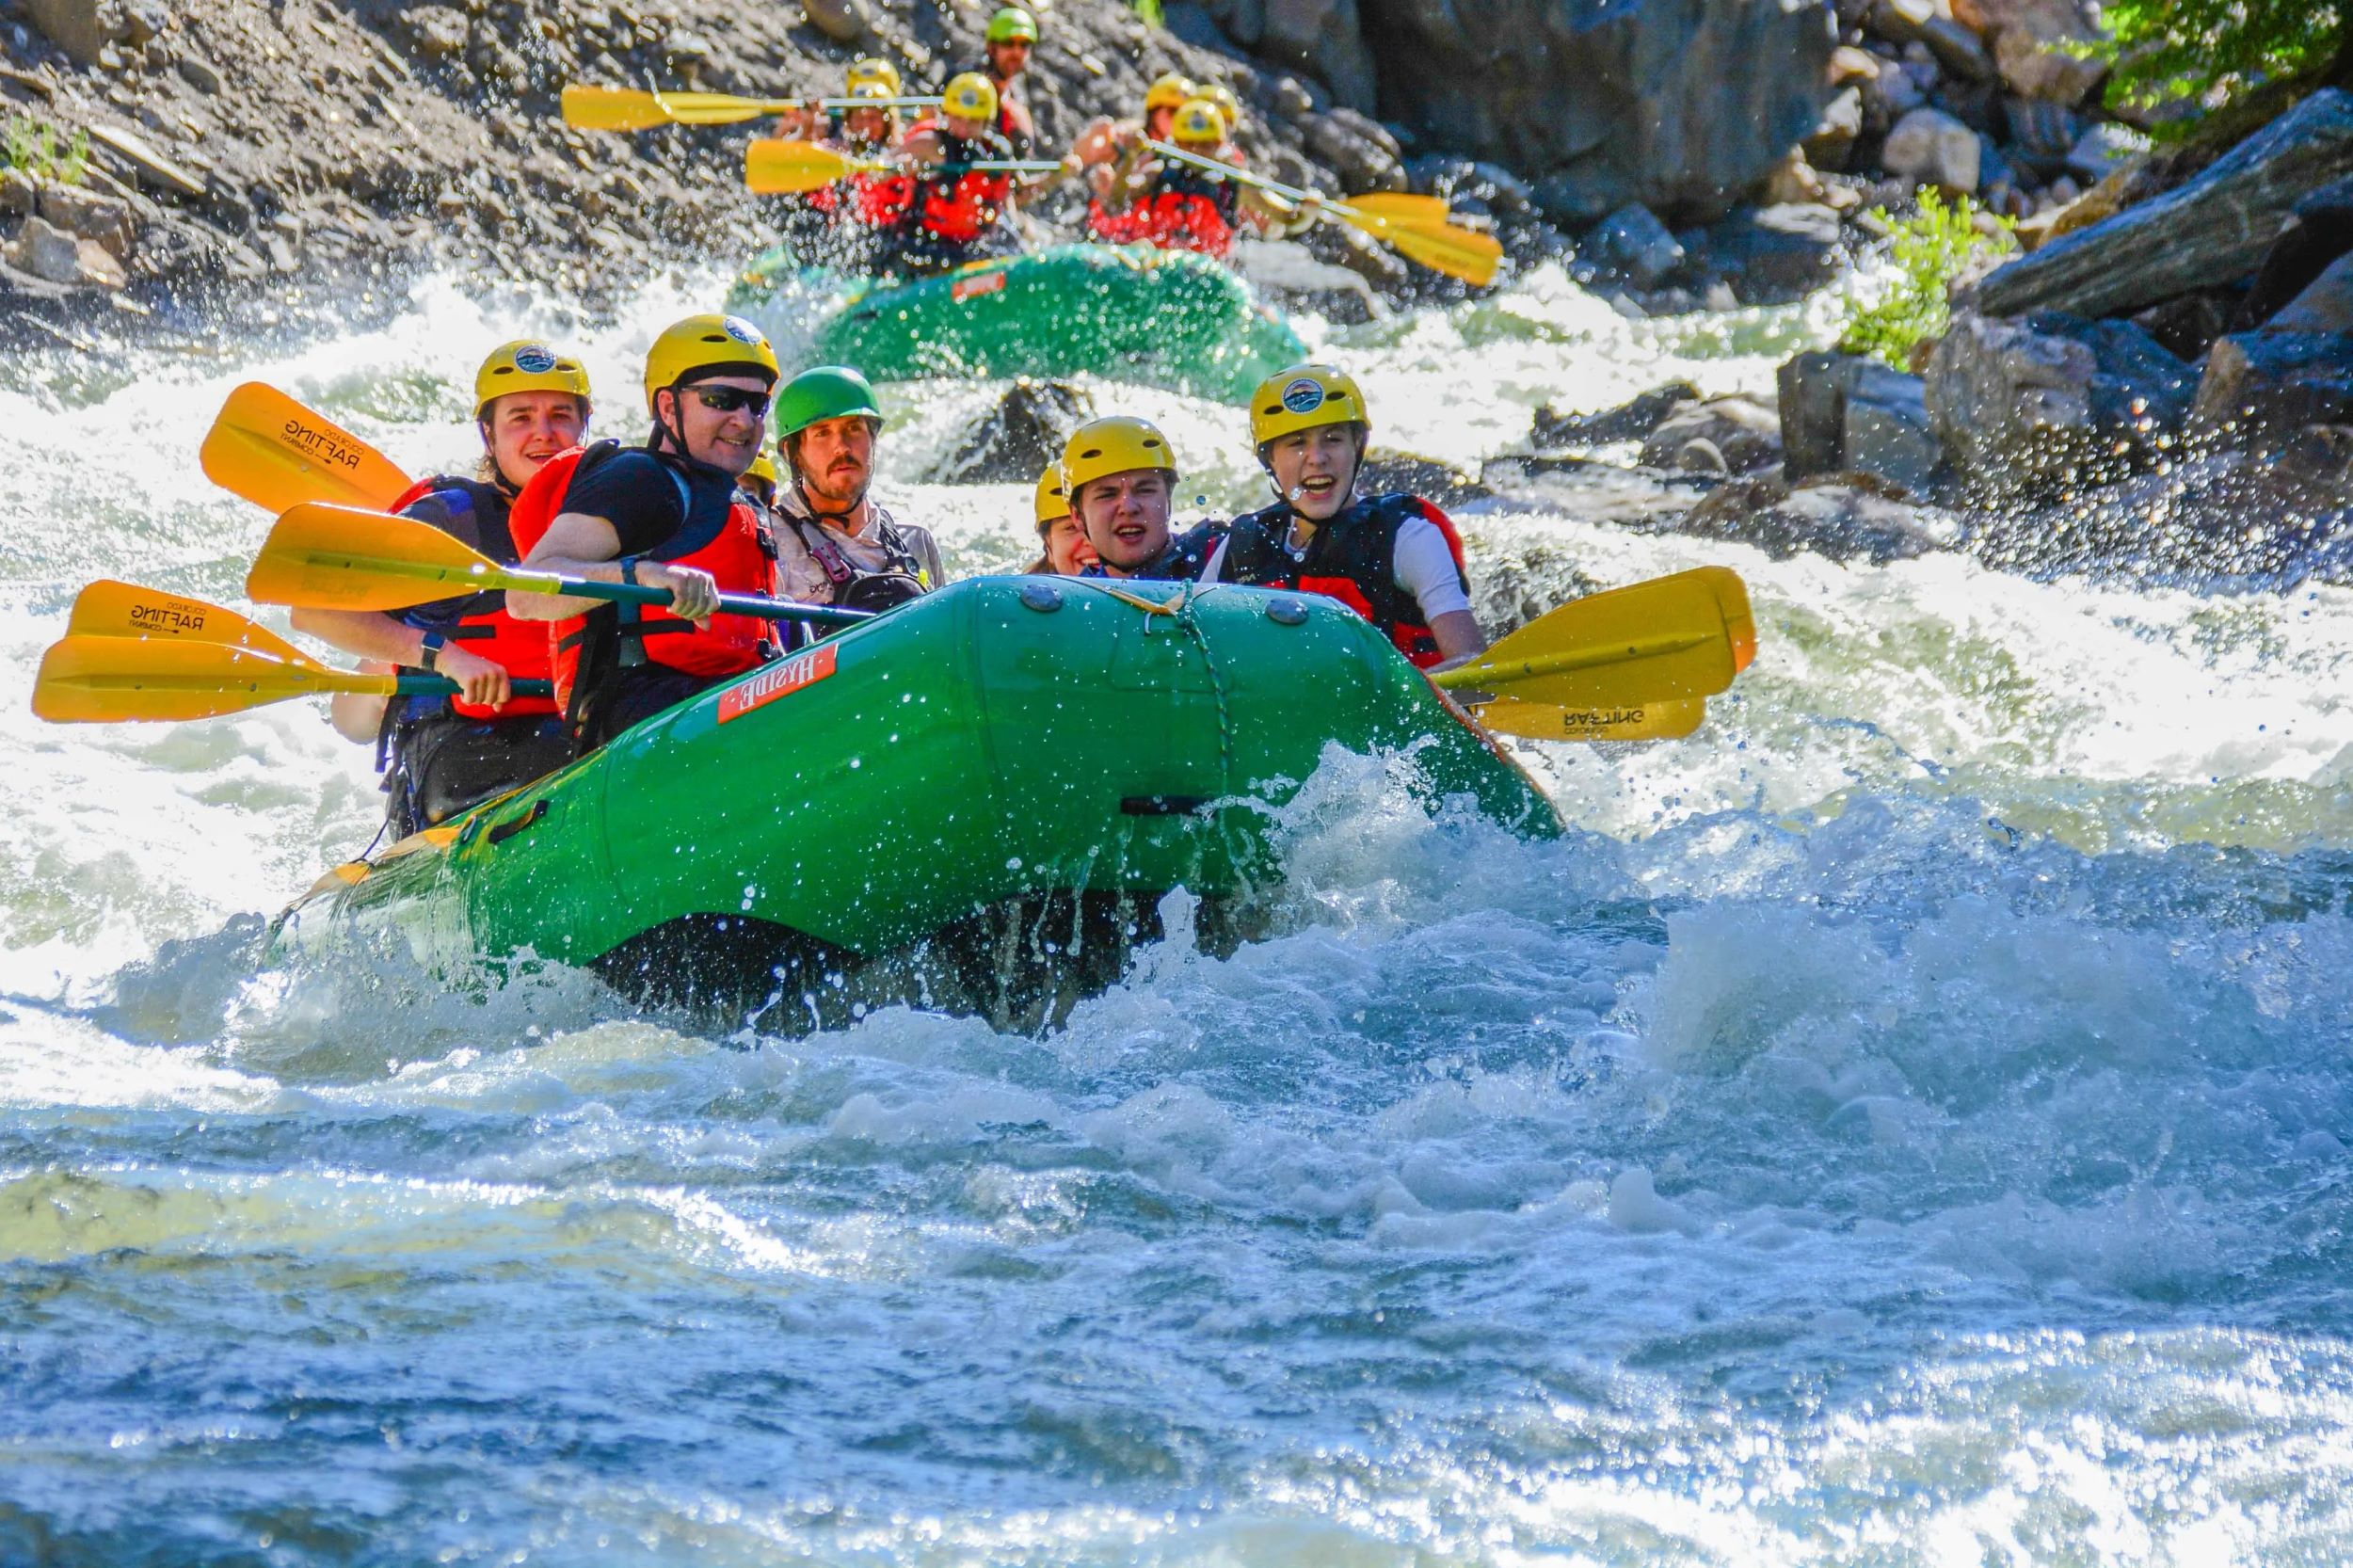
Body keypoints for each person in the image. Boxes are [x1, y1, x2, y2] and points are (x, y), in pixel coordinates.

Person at [307, 340, 589, 840]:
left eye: (560, 415)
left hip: (573, 734)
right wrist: (444, 657)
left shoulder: (607, 516)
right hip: (462, 750)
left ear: (583, 427)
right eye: (520, 417)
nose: (544, 434)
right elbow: (319, 610)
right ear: (489, 434)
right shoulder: (454, 517)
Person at [505, 314, 784, 751]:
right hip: (645, 723)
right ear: (669, 407)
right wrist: (644, 576)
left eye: (757, 405)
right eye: (721, 398)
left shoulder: (741, 502)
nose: (744, 420)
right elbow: (525, 593)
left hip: (726, 698)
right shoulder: (640, 479)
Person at [1199, 363, 1486, 668]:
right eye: (1297, 444)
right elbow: (1188, 659)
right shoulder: (1239, 548)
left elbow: (1473, 667)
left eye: (1333, 439)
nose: (1317, 458)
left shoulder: (1407, 538)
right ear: (1270, 458)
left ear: (1357, 446)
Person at [770, 364, 945, 614]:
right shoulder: (769, 546)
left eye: (853, 429)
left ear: (872, 440)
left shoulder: (915, 538)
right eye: (822, 433)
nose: (841, 447)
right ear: (793, 453)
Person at [1088, 98, 1276, 258]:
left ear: (1219, 145)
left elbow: (1283, 220)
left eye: (1205, 144)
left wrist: (1296, 215)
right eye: (1189, 143)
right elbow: (1116, 203)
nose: (1196, 150)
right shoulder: (1157, 172)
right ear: (1177, 143)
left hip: (1208, 273)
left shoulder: (1235, 183)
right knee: (1141, 245)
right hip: (1161, 263)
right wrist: (1129, 159)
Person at [1060, 415, 1220, 581]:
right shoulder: (1070, 597)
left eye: (1145, 490)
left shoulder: (1221, 558)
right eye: (1107, 495)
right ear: (1077, 516)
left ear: (1168, 499)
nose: (1128, 508)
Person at [893, 72, 1022, 274]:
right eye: (958, 118)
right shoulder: (928, 143)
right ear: (947, 114)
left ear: (986, 121)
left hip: (973, 246)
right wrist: (903, 166)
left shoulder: (997, 154)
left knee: (1010, 244)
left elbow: (1006, 202)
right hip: (923, 245)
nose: (963, 128)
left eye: (973, 121)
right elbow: (879, 169)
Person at [1073, 72, 1193, 215]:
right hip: (1101, 208)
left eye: (1184, 115)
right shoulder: (1125, 134)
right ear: (1154, 110)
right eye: (1173, 111)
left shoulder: (1180, 153)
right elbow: (1080, 161)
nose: (1178, 120)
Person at [975, 6, 1041, 158]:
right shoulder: (966, 76)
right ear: (991, 48)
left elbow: (1026, 148)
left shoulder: (1017, 92)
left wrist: (1005, 103)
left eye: (1024, 45)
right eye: (1008, 43)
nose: (1016, 52)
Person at [1025, 463, 1096, 575]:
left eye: (1101, 525)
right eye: (1072, 528)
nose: (1091, 542)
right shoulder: (1022, 591)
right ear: (1048, 544)